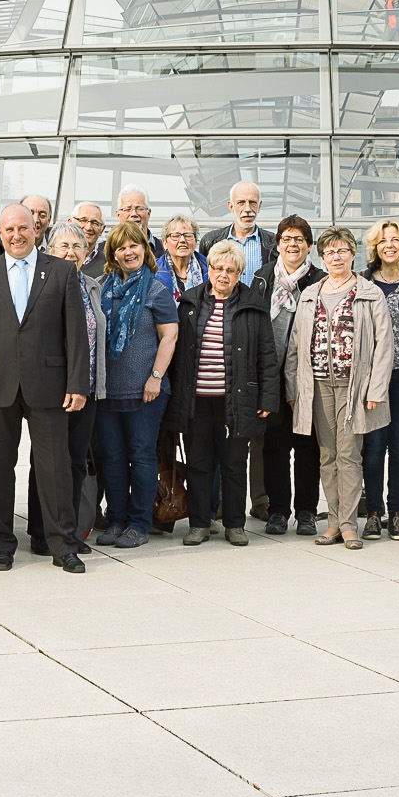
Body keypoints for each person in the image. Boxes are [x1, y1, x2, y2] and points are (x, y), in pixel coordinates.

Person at [0, 206, 89, 570]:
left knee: (55, 468)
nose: (17, 235)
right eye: (9, 229)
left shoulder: (62, 271)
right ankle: (1, 543)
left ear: (36, 230)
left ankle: (62, 545)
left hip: (50, 385)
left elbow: (76, 334)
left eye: (23, 228)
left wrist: (77, 383)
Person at [285, 227, 393, 550]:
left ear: (352, 254)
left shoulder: (370, 293)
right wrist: (294, 389)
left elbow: (384, 345)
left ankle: (348, 525)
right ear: (322, 257)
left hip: (353, 386)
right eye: (330, 252)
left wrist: (376, 390)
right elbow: (295, 346)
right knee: (327, 454)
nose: (336, 257)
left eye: (343, 250)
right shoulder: (309, 295)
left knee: (349, 454)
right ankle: (333, 521)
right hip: (317, 385)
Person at [166, 241, 279, 547]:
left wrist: (268, 398)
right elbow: (177, 358)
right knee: (199, 464)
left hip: (236, 401)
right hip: (197, 401)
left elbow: (267, 355)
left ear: (240, 273)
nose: (223, 275)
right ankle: (200, 524)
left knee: (233, 465)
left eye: (231, 270)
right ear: (209, 269)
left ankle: (235, 524)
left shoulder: (253, 305)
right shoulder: (190, 303)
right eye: (218, 268)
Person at [88, 222, 179, 551]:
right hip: (107, 390)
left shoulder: (156, 289)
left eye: (134, 245)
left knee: (141, 456)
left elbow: (169, 336)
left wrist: (154, 378)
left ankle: (139, 524)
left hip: (146, 391)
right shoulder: (100, 287)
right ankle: (116, 520)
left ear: (145, 249)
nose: (129, 252)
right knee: (111, 457)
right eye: (121, 247)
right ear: (112, 254)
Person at [33, 224, 106, 556]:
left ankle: (72, 531)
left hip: (87, 388)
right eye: (63, 245)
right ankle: (40, 531)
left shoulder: (93, 286)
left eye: (78, 246)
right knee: (47, 461)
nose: (71, 251)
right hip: (53, 389)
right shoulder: (41, 285)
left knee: (76, 461)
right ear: (48, 251)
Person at [260, 215, 325, 536]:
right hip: (271, 379)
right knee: (273, 447)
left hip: (307, 379)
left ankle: (307, 511)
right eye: (287, 238)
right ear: (278, 244)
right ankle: (277, 512)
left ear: (309, 246)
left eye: (299, 239)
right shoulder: (262, 280)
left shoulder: (321, 281)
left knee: (307, 447)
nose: (293, 244)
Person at [361, 219, 399, 541]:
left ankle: (396, 514)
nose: (389, 245)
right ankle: (373, 514)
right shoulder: (363, 282)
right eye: (383, 240)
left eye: (396, 240)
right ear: (375, 246)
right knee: (373, 449)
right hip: (372, 379)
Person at [199, 181, 272, 285]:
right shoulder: (210, 241)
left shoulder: (273, 243)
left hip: (259, 301)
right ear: (231, 207)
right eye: (241, 203)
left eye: (252, 202)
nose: (247, 209)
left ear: (259, 206)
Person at [155, 214, 203, 297]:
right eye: (175, 236)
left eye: (188, 235)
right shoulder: (153, 271)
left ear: (196, 241)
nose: (182, 240)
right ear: (164, 243)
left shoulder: (210, 269)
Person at [70, 203, 106, 271]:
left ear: (102, 229)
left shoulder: (108, 266)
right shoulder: (57, 257)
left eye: (95, 223)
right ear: (70, 222)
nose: (88, 227)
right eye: (83, 220)